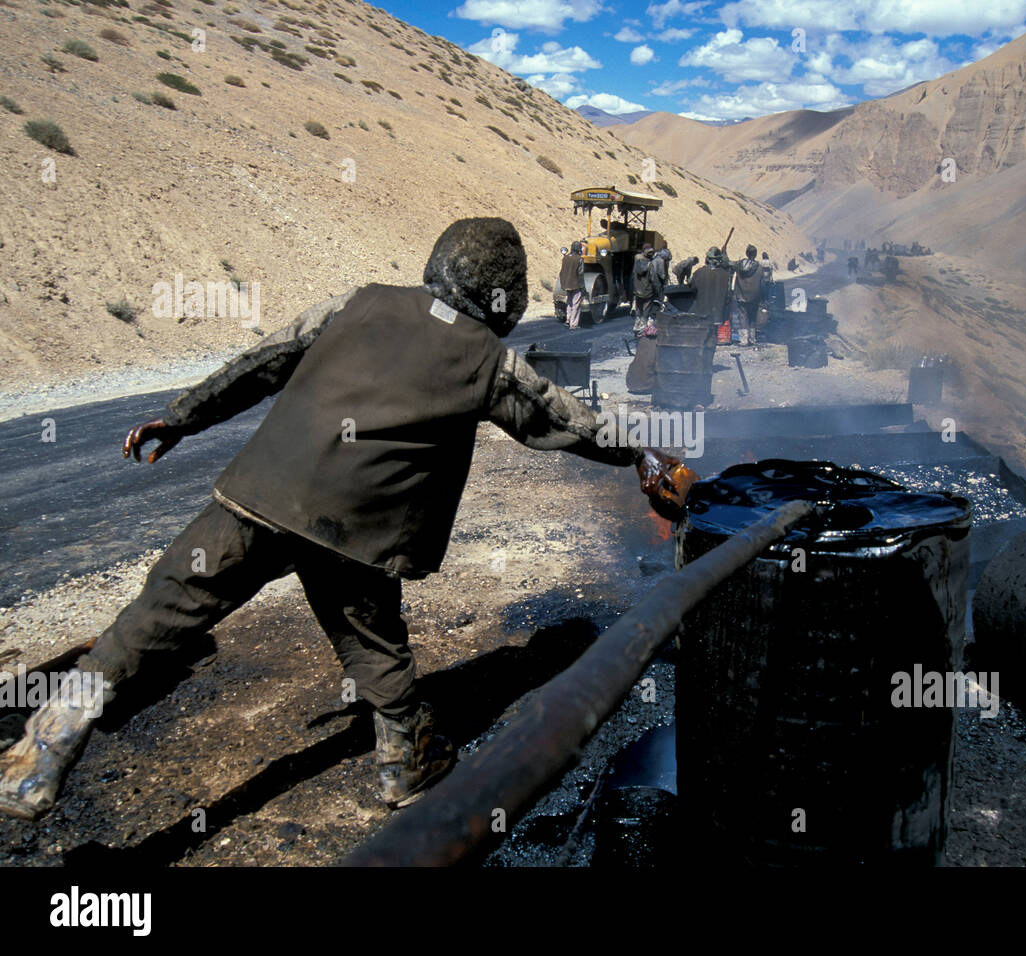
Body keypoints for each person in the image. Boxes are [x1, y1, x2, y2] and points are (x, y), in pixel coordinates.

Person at [0, 218, 687, 822]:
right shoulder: (487, 360)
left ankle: (45, 746)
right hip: (355, 531)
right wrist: (638, 454)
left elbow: (264, 360)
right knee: (372, 639)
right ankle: (403, 765)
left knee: (154, 615)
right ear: (500, 290)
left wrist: (183, 416)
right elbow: (565, 419)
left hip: (259, 495)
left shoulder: (360, 302)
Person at [687, 246, 731, 331]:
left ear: (707, 258)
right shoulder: (726, 275)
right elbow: (728, 295)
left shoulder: (699, 272)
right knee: (712, 335)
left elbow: (693, 289)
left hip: (702, 312)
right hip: (717, 314)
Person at [731, 244, 763, 347]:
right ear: (755, 254)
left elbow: (727, 263)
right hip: (754, 296)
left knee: (743, 316)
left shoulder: (739, 265)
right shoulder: (759, 268)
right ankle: (752, 338)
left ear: (746, 253)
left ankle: (744, 340)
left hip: (741, 295)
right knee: (752, 317)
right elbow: (763, 284)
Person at [631, 243, 662, 336]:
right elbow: (654, 280)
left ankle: (636, 325)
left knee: (638, 309)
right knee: (646, 311)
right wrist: (659, 293)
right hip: (648, 292)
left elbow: (632, 277)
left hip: (637, 291)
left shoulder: (636, 262)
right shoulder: (650, 265)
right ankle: (642, 329)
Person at [559, 240, 585, 329]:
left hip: (566, 284)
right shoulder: (580, 259)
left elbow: (562, 272)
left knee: (569, 302)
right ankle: (573, 324)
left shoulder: (565, 258)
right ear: (579, 249)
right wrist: (583, 287)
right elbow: (580, 274)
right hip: (576, 284)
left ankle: (568, 320)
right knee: (576, 304)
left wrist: (563, 283)